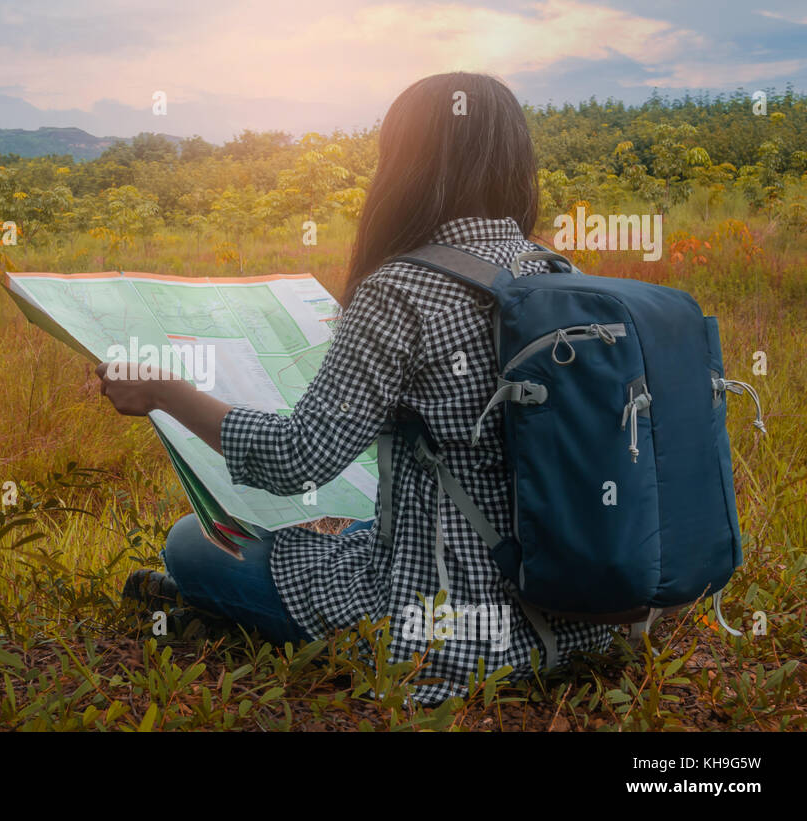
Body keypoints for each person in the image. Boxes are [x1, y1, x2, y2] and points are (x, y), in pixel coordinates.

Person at [96, 72, 611, 704]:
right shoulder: (559, 273)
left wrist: (163, 393)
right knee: (360, 531)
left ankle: (219, 614)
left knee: (191, 545)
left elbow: (296, 458)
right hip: (580, 618)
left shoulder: (404, 288)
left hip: (447, 636)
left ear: (406, 165)